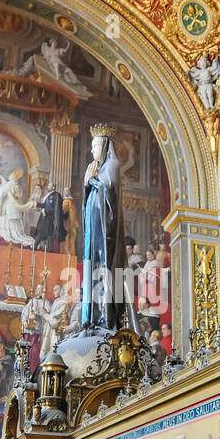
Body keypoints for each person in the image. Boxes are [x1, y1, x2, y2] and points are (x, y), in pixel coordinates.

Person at [81, 124, 135, 331]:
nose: (92, 150)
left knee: (105, 269)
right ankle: (92, 315)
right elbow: (90, 199)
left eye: (95, 146)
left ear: (104, 147)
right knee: (92, 267)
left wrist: (92, 180)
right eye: (92, 146)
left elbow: (108, 190)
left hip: (106, 231)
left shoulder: (111, 165)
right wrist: (87, 184)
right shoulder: (94, 168)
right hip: (94, 230)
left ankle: (106, 316)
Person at [33, 178, 66, 253]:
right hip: (45, 218)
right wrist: (37, 204)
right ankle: (47, 249)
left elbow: (56, 209)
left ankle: (40, 248)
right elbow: (45, 205)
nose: (48, 187)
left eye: (49, 186)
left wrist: (46, 211)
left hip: (49, 219)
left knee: (46, 234)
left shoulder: (56, 195)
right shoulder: (49, 195)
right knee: (47, 234)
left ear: (53, 187)